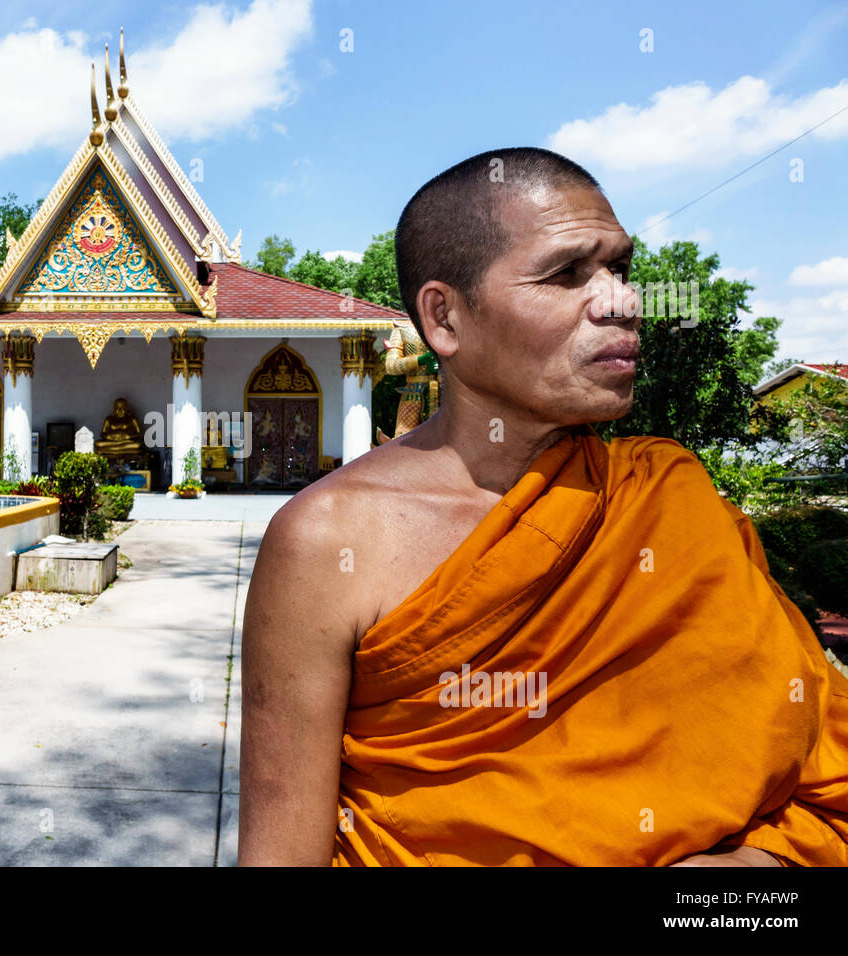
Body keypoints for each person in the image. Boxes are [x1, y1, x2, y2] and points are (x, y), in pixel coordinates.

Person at [238, 147, 848, 867]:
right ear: (445, 318)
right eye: (567, 274)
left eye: (620, 269)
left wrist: (745, 870)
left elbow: (817, 770)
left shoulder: (665, 495)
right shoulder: (328, 542)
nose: (622, 302)